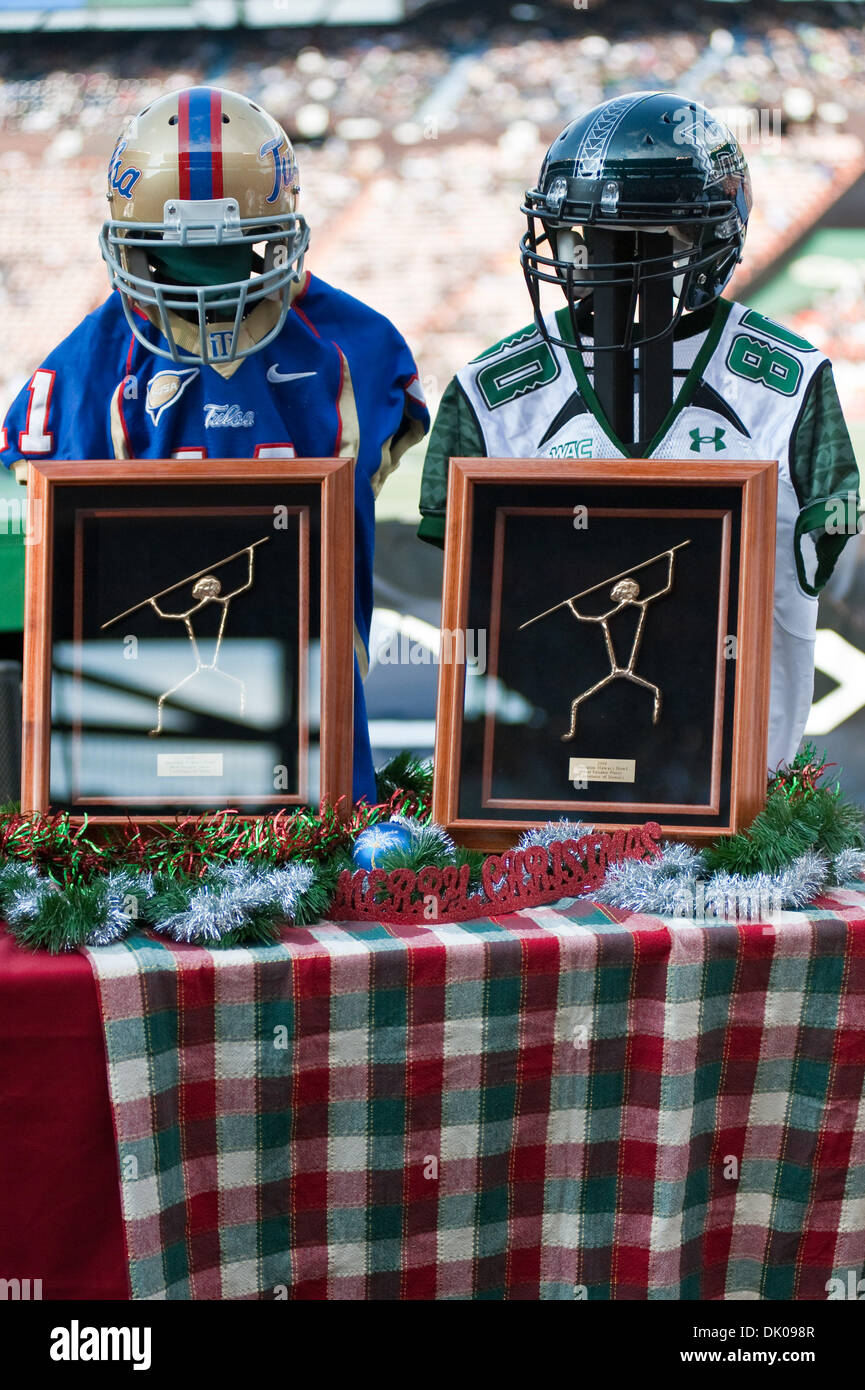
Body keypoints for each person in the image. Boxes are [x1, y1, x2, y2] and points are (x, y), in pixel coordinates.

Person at [1, 86, 429, 804]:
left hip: (304, 735)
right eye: (176, 249)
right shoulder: (94, 367)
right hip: (143, 742)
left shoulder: (358, 350)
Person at [418, 91, 860, 770]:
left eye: (646, 242)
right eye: (580, 236)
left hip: (735, 781)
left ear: (710, 240)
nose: (604, 261)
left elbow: (824, 553)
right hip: (544, 777)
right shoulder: (486, 393)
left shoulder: (789, 384)